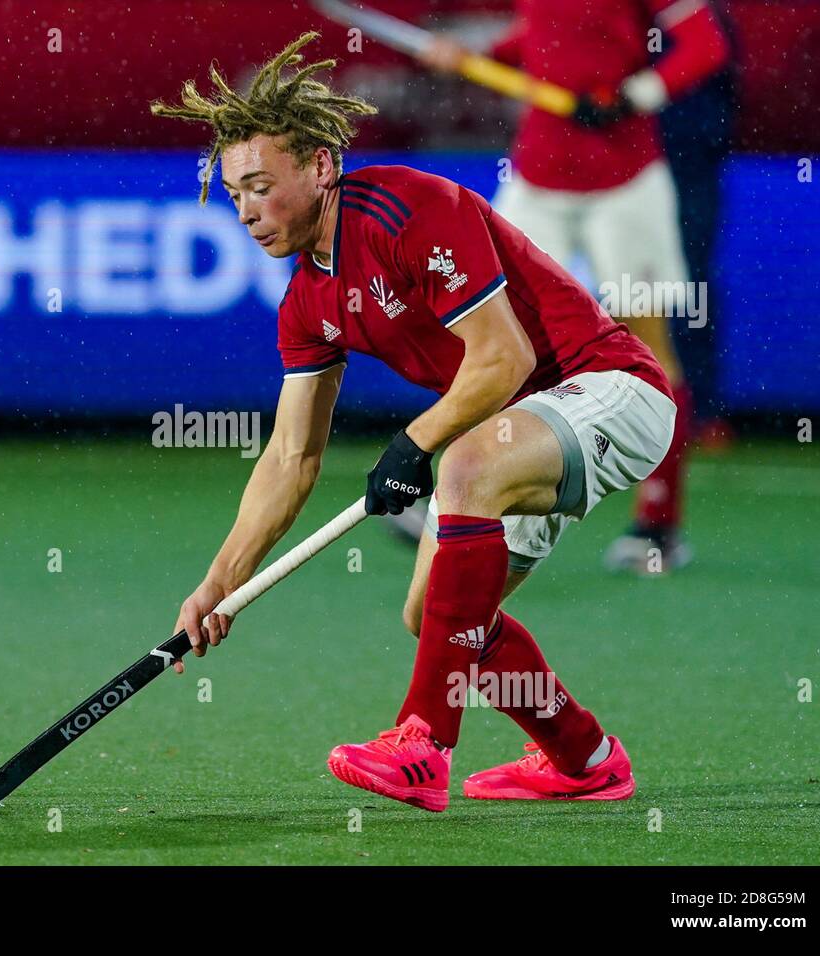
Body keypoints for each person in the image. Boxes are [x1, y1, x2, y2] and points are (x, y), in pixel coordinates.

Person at [150, 33, 675, 811]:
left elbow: (501, 358)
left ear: (322, 165)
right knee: (438, 616)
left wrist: (414, 445)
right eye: (233, 195)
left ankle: (423, 744)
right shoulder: (307, 303)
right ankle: (584, 757)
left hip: (611, 389)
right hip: (521, 432)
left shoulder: (408, 207)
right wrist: (218, 585)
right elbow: (292, 457)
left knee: (463, 466)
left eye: (261, 186)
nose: (246, 213)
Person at [414, 0, 730, 574]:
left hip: (626, 179)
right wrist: (476, 54)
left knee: (648, 349)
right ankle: (457, 505)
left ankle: (658, 529)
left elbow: (706, 45)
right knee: (492, 337)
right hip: (537, 174)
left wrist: (633, 95)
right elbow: (547, 35)